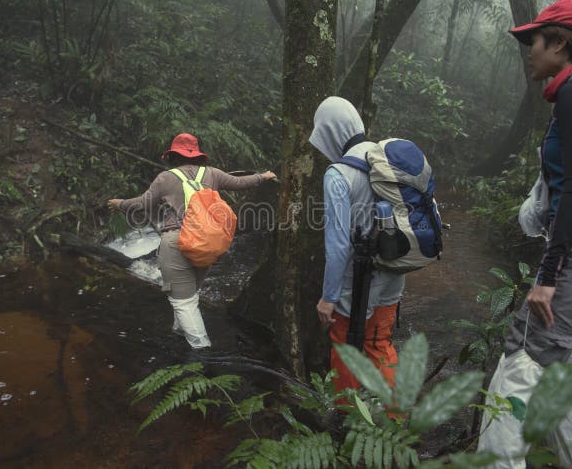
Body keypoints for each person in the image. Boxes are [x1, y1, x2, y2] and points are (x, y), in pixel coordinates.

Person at [477, 0, 572, 468]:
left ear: (561, 43)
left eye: (535, 41)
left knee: (521, 358)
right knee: (564, 363)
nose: (529, 51)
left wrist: (548, 274)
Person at [108, 133, 276, 349]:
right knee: (190, 295)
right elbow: (241, 182)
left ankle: (202, 352)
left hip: (177, 242)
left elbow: (142, 203)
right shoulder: (212, 174)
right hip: (207, 244)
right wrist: (263, 176)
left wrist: (119, 204)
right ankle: (179, 336)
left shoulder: (165, 178)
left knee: (182, 301)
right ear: (197, 155)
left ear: (173, 156)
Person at [309, 96, 405, 392]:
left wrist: (328, 297)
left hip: (357, 281)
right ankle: (393, 424)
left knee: (346, 350)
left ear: (330, 133)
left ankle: (345, 423)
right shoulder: (387, 157)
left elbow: (338, 246)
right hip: (394, 270)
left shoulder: (338, 174)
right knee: (378, 344)